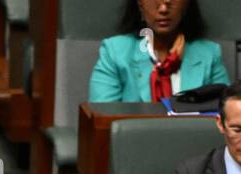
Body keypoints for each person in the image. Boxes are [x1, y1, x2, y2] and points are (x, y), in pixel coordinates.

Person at [88, 0, 228, 103]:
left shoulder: (209, 54)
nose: (163, 8)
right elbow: (103, 121)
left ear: (187, 5)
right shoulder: (115, 52)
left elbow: (226, 118)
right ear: (139, 4)